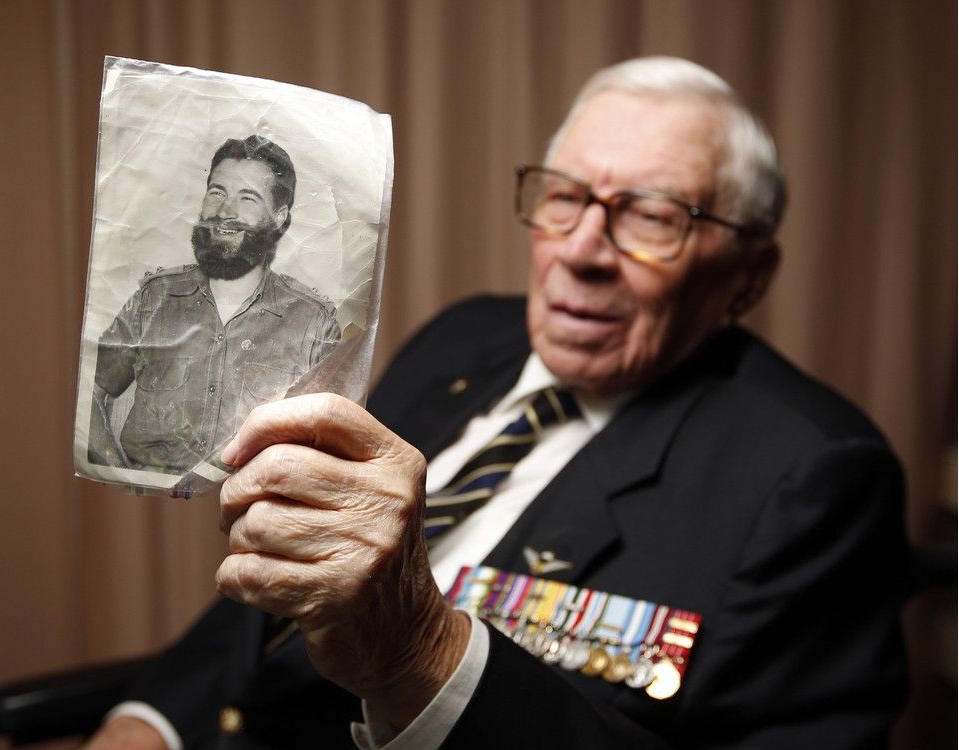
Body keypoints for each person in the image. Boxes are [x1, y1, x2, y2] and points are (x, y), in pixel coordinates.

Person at [89, 57, 909, 749]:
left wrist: (422, 652)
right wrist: (150, 720)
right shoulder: (461, 338)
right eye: (564, 196)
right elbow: (282, 582)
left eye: (655, 217)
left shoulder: (813, 479)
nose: (581, 251)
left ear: (748, 276)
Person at [88, 135, 341, 474]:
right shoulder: (154, 298)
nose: (224, 212)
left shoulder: (314, 322)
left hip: (256, 514)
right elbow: (88, 391)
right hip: (150, 514)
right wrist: (121, 475)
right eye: (217, 192)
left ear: (279, 218)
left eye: (247, 198)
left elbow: (331, 444)